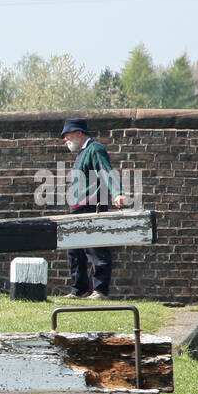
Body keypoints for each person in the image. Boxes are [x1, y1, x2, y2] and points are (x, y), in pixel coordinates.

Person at [59, 118, 129, 299]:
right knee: (75, 251)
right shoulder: (81, 154)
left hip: (91, 207)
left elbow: (106, 171)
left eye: (67, 135)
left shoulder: (95, 149)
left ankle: (100, 290)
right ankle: (79, 290)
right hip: (77, 208)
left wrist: (117, 193)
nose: (65, 139)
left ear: (79, 133)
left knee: (96, 250)